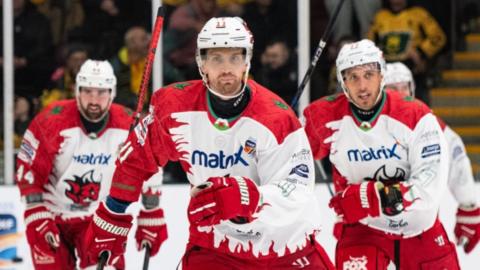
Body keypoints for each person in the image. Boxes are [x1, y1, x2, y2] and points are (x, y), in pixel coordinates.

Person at [82, 17, 334, 269]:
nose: (226, 68)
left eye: (234, 57)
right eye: (216, 58)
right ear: (202, 63)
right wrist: (113, 213)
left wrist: (248, 196)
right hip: (217, 246)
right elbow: (136, 160)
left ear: (246, 60)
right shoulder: (174, 108)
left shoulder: (276, 118)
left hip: (284, 247)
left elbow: (298, 192)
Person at [303, 39, 460, 269]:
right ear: (342, 82)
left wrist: (373, 199)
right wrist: (286, 128)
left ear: (382, 75)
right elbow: (286, 160)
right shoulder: (325, 116)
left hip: (419, 228)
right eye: (352, 77)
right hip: (364, 229)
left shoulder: (416, 115)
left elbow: (429, 188)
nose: (362, 86)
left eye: (368, 75)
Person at [15, 60, 167, 269]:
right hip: (52, 215)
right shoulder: (51, 121)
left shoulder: (127, 125)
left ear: (112, 93)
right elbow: (28, 169)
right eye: (87, 91)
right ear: (77, 91)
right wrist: (36, 211)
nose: (94, 100)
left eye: (101, 92)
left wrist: (151, 211)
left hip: (99, 218)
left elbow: (151, 166)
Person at [385, 62, 480, 254]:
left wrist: (468, 207)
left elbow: (456, 157)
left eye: (405, 87)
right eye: (393, 88)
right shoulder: (365, 123)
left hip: (421, 222)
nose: (401, 93)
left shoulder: (427, 121)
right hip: (376, 222)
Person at [367, 0, 446, 104]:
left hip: (413, 69)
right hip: (386, 71)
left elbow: (438, 37)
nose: (396, 1)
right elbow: (369, 43)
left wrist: (420, 52)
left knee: (417, 106)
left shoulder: (419, 14)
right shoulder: (380, 16)